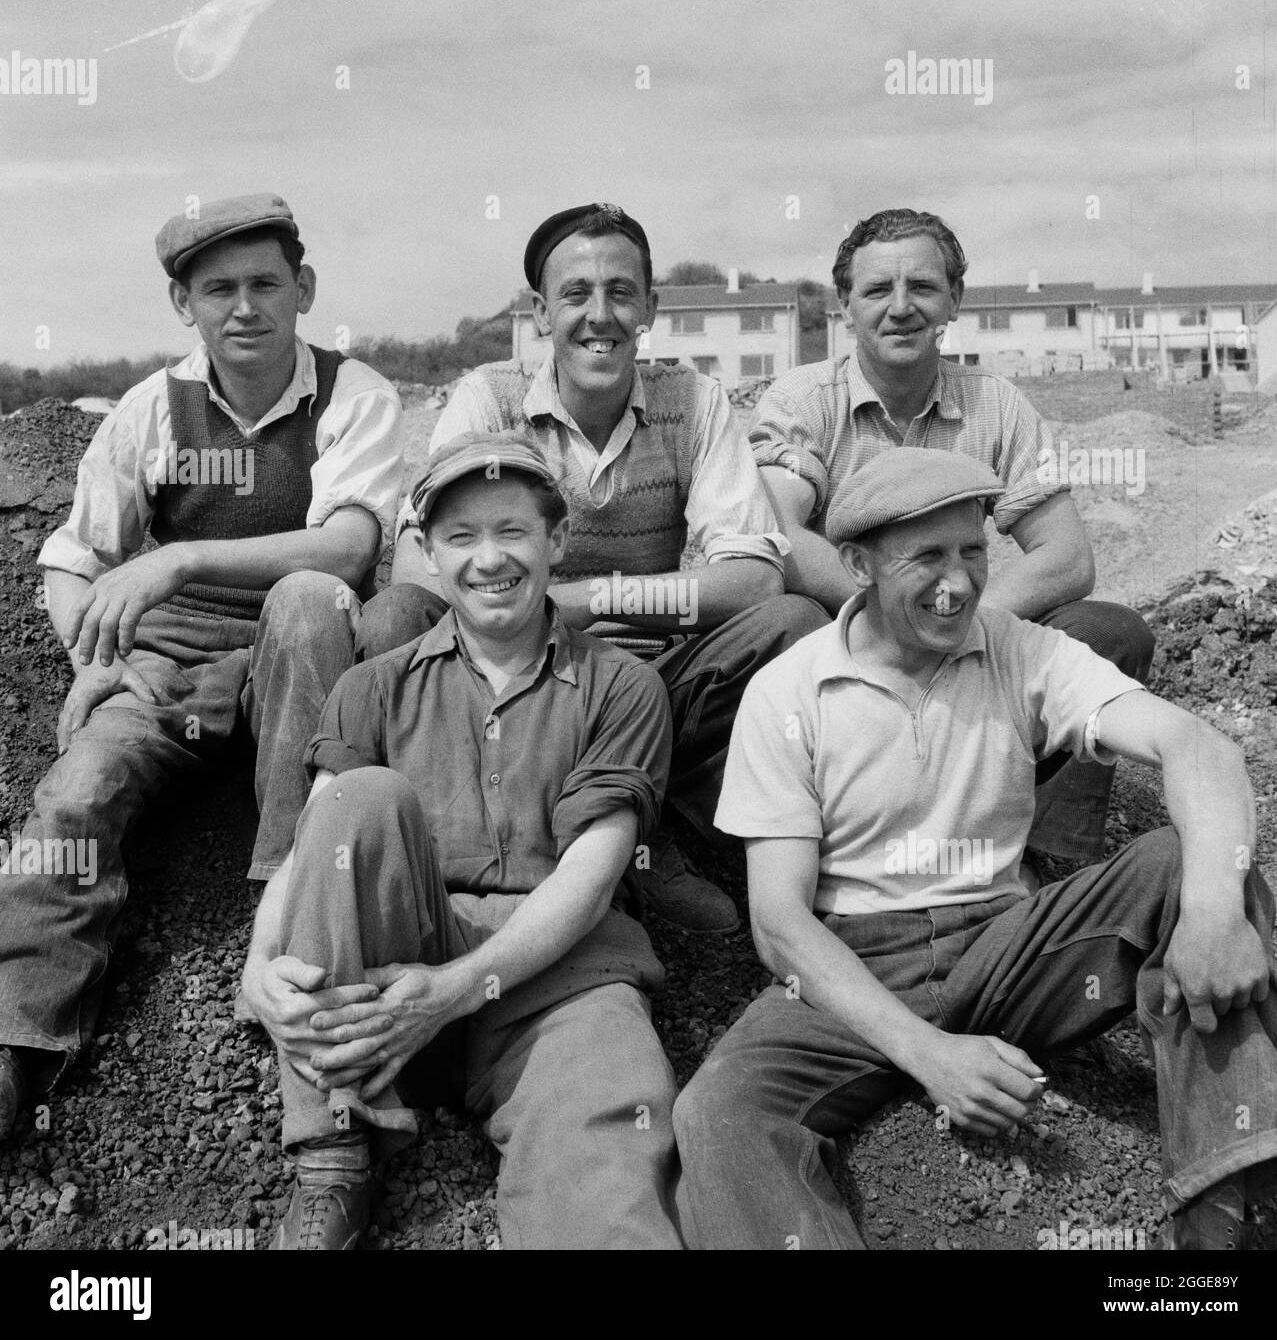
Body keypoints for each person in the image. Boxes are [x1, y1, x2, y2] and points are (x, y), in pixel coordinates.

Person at [672, 447, 1277, 1250]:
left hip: (1004, 944)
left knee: (1197, 863)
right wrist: (931, 1056)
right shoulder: (789, 694)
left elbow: (1197, 746)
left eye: (973, 552)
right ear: (857, 564)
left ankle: (1231, 1231)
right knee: (718, 1113)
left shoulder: (1016, 648)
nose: (957, 582)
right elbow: (781, 924)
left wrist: (1210, 913)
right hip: (852, 960)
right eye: (925, 557)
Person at [0, 194, 403, 1138]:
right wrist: (86, 659)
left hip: (294, 658)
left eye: (266, 283)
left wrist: (178, 556)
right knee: (76, 794)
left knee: (308, 603)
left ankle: (288, 914)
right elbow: (71, 554)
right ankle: (18, 1039)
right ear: (185, 304)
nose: (245, 307)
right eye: (217, 288)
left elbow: (347, 548)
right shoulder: (153, 407)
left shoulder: (356, 394)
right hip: (168, 661)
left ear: (303, 289)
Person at [242, 431, 682, 1250]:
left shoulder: (625, 686)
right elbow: (316, 845)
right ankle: (335, 1151)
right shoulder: (370, 686)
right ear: (427, 555)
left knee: (612, 1172)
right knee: (363, 795)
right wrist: (258, 967)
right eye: (461, 537)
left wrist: (455, 990)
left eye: (512, 532)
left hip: (557, 975)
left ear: (556, 542)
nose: (490, 560)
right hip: (389, 968)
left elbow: (589, 877)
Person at [364, 202, 828, 933]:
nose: (599, 315)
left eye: (620, 292)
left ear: (651, 306)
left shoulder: (694, 402)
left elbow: (754, 578)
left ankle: (651, 829)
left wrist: (594, 599)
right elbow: (420, 571)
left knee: (795, 626)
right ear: (542, 313)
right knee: (395, 622)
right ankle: (450, 843)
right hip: (508, 676)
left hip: (651, 682)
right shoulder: (490, 398)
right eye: (576, 294)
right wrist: (548, 619)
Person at [751, 208, 1154, 866]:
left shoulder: (997, 404)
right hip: (848, 653)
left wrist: (960, 625)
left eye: (924, 289)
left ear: (954, 301)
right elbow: (777, 532)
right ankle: (813, 846)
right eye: (878, 290)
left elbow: (1067, 556)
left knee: (1110, 631)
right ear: (843, 306)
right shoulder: (802, 399)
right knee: (783, 619)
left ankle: (1048, 859)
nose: (901, 308)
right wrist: (886, 627)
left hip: (959, 641)